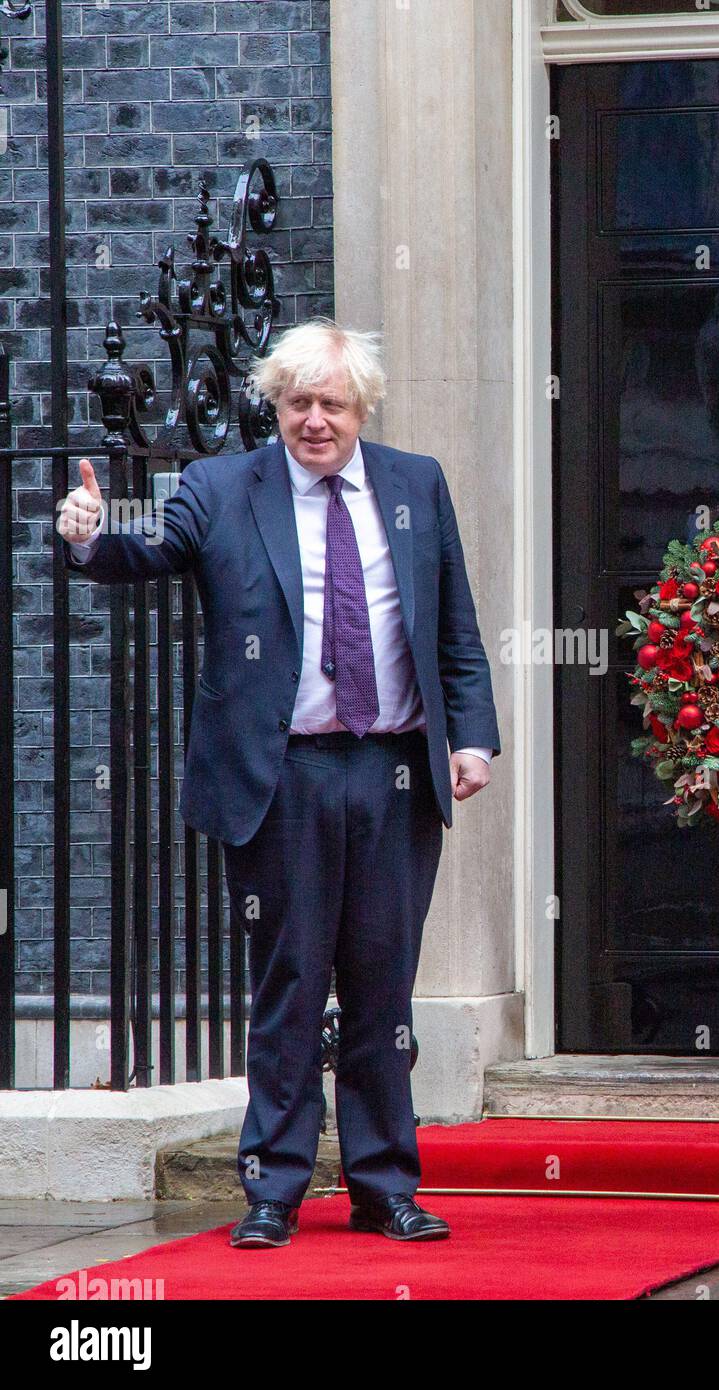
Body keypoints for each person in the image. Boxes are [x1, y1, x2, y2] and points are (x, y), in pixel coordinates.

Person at [56, 319, 500, 1248]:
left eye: (331, 403)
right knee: (289, 983)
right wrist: (93, 540)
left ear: (360, 409)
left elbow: (453, 624)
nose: (314, 421)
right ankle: (275, 1189)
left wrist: (473, 740)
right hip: (282, 775)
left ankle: (385, 1186)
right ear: (275, 405)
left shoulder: (415, 485)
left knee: (384, 987)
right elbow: (155, 551)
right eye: (297, 402)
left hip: (392, 775)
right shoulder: (224, 485)